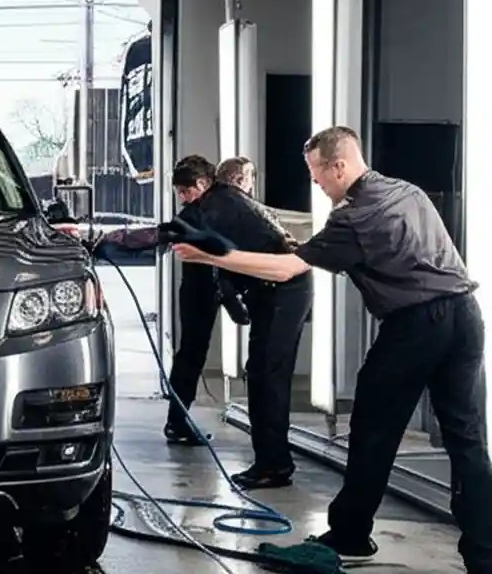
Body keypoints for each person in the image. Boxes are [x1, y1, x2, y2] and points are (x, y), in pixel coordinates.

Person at [173, 125, 492, 569]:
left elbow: (287, 269)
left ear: (338, 165)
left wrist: (210, 255)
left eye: (317, 173)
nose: (315, 183)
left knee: (372, 429)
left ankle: (349, 534)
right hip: (466, 316)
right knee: (469, 440)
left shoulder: (354, 216)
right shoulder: (407, 192)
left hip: (417, 324)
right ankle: (484, 552)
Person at [193, 155, 310, 490]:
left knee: (267, 377)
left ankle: (273, 464)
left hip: (281, 293)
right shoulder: (233, 206)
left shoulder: (229, 206)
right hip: (274, 293)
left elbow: (226, 260)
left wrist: (232, 301)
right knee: (263, 375)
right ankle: (271, 462)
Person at [161, 155, 222, 445]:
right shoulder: (193, 215)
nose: (183, 198)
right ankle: (177, 420)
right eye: (180, 193)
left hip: (203, 290)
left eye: (184, 192)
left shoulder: (204, 211)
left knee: (191, 355)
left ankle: (178, 419)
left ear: (201, 184)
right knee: (191, 356)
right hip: (199, 292)